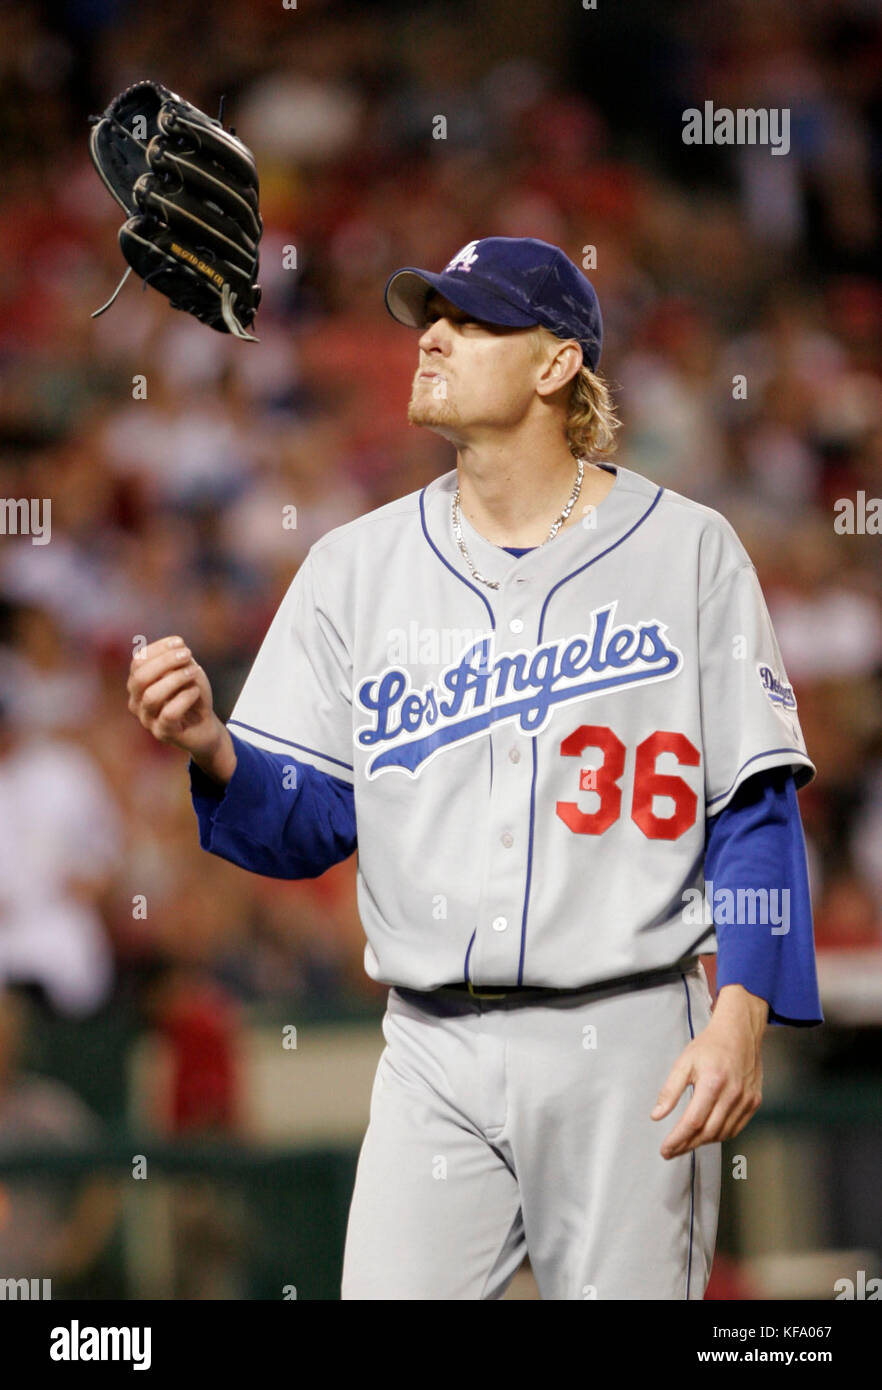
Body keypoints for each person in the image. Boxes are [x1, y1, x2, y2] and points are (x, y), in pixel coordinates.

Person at [127, 237, 822, 1300]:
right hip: (430, 1045)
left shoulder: (688, 551)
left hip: (630, 1032)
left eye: (475, 318)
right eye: (430, 316)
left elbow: (757, 812)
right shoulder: (353, 568)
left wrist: (743, 1011)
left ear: (557, 366)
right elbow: (306, 827)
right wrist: (215, 749)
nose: (434, 335)